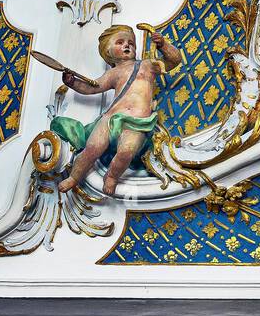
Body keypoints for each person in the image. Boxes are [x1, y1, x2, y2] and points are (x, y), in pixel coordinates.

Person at [54, 24, 180, 196]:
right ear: (108, 52)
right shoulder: (114, 73)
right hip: (111, 117)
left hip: (138, 121)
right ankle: (74, 177)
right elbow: (92, 88)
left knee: (126, 151)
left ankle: (112, 176)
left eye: (131, 43)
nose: (127, 45)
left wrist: (163, 44)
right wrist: (72, 83)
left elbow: (174, 60)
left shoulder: (147, 65)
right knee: (92, 149)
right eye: (119, 42)